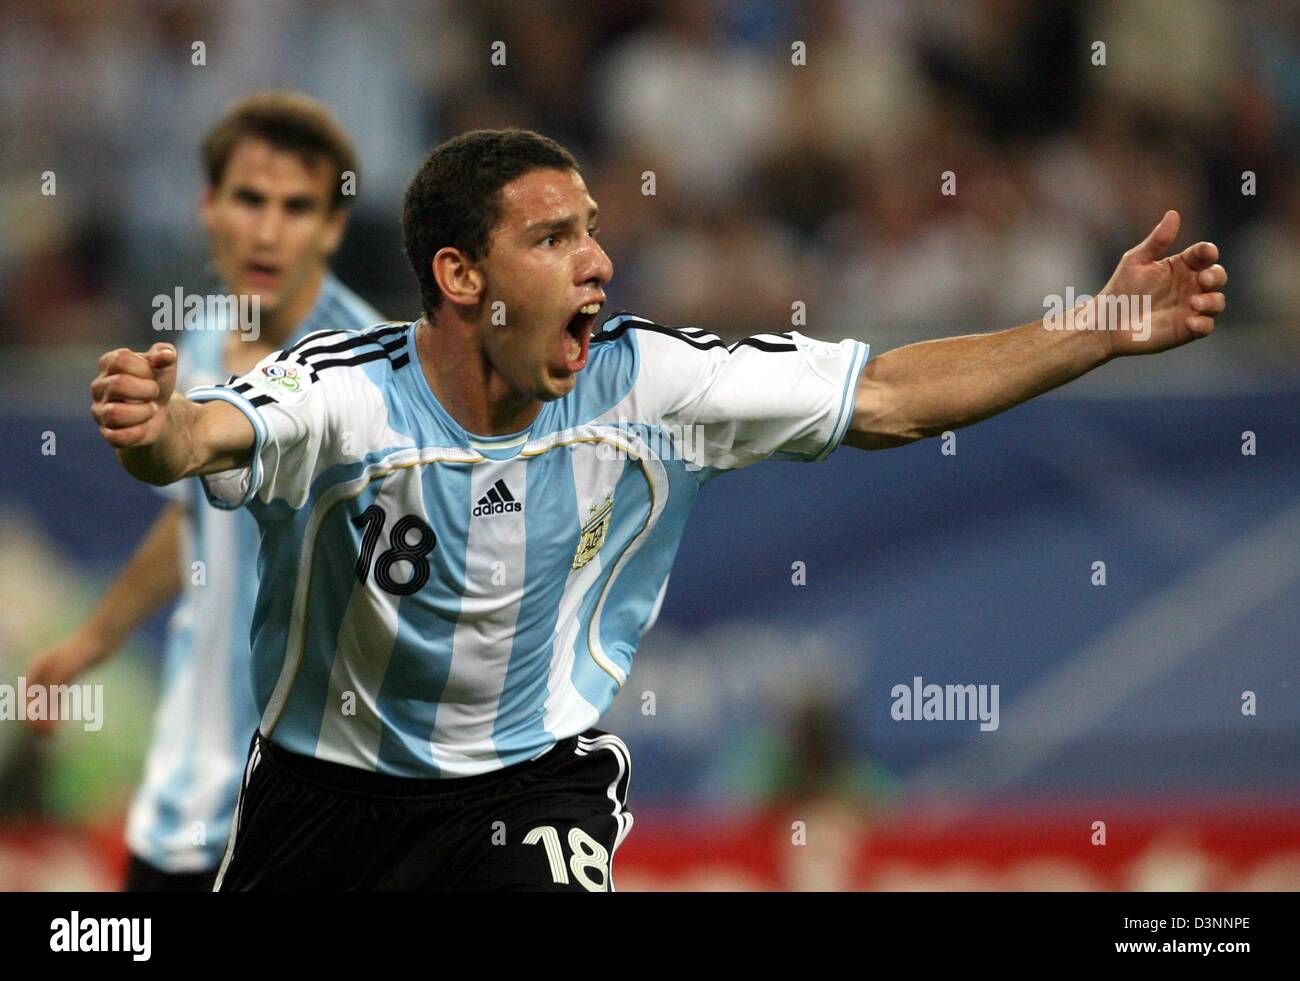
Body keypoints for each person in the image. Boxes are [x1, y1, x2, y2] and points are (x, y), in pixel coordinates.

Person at [87, 128, 1227, 891]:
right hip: (319, 807)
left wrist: (1094, 329)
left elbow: (882, 397)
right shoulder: (346, 396)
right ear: (460, 279)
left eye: (589, 228)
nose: (597, 261)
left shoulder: (654, 384)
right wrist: (156, 429)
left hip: (529, 784)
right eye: (552, 239)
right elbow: (205, 439)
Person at [32, 91, 382, 891]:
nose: (267, 228)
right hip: (189, 784)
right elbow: (194, 519)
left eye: (298, 208)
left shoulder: (369, 373)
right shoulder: (202, 331)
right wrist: (94, 639)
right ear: (209, 206)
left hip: (304, 801)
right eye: (250, 199)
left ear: (331, 228)